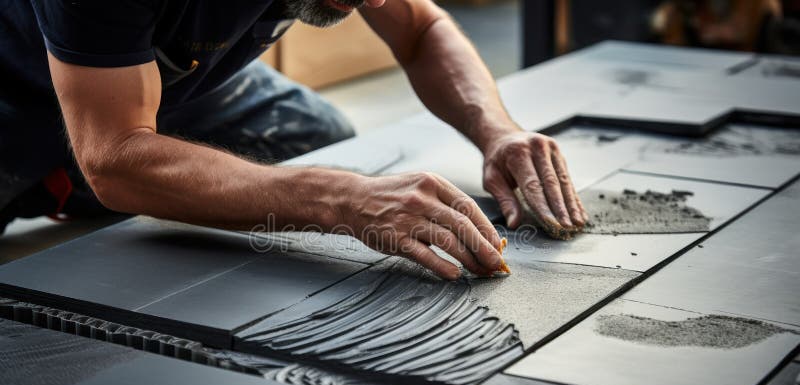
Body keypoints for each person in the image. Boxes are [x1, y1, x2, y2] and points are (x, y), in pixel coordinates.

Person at [0, 0, 587, 280]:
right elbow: (117, 155)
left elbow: (422, 29)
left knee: (315, 138)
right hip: (17, 90)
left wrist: (498, 131)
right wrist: (339, 200)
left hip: (167, 76)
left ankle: (89, 175)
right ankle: (46, 180)